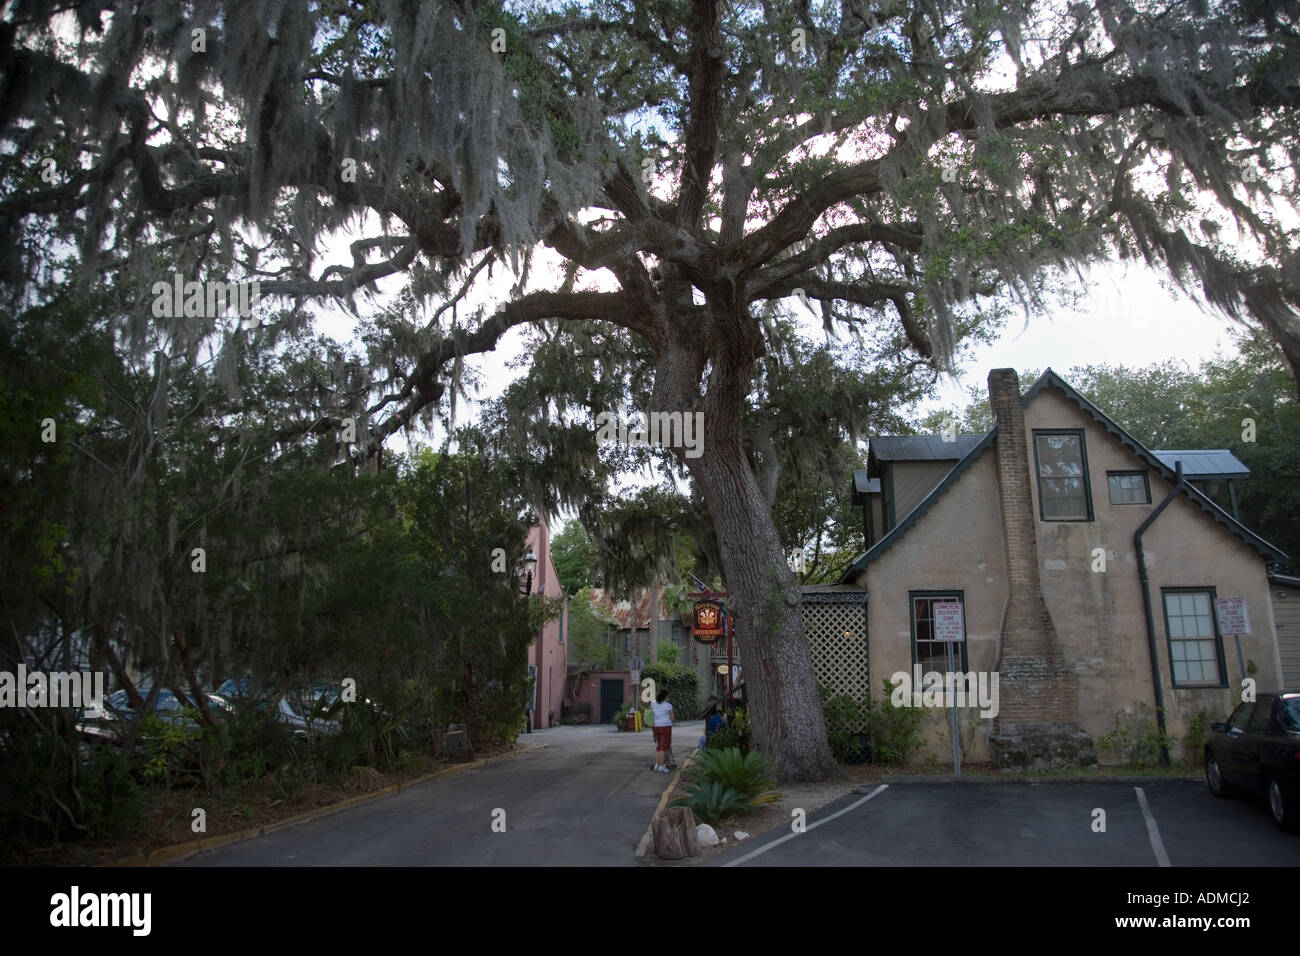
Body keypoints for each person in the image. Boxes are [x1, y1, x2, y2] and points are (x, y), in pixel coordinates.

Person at [651, 688, 674, 772]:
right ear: (665, 696)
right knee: (663, 747)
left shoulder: (653, 704)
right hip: (665, 726)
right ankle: (662, 766)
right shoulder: (668, 705)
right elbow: (672, 718)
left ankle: (657, 764)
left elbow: (652, 715)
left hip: (655, 727)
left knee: (658, 746)